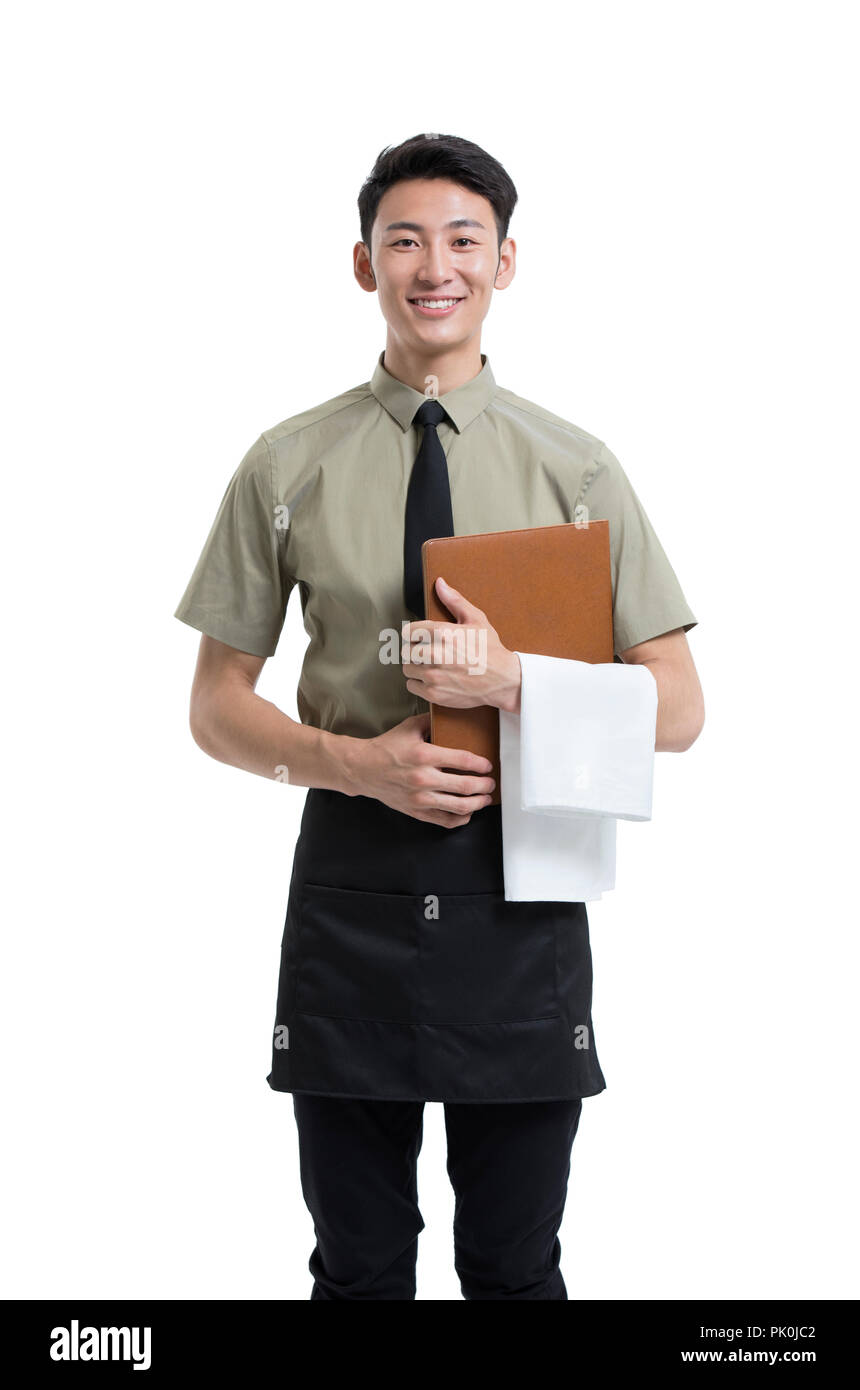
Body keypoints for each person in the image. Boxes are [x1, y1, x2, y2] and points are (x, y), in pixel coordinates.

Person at [174, 132, 705, 1300]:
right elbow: (215, 705)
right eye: (402, 240)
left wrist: (513, 683)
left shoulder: (578, 469)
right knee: (357, 1266)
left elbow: (677, 708)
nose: (433, 266)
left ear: (504, 263)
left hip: (521, 889)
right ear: (362, 265)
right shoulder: (286, 463)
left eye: (462, 240)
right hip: (348, 885)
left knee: (514, 1267)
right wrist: (353, 765)